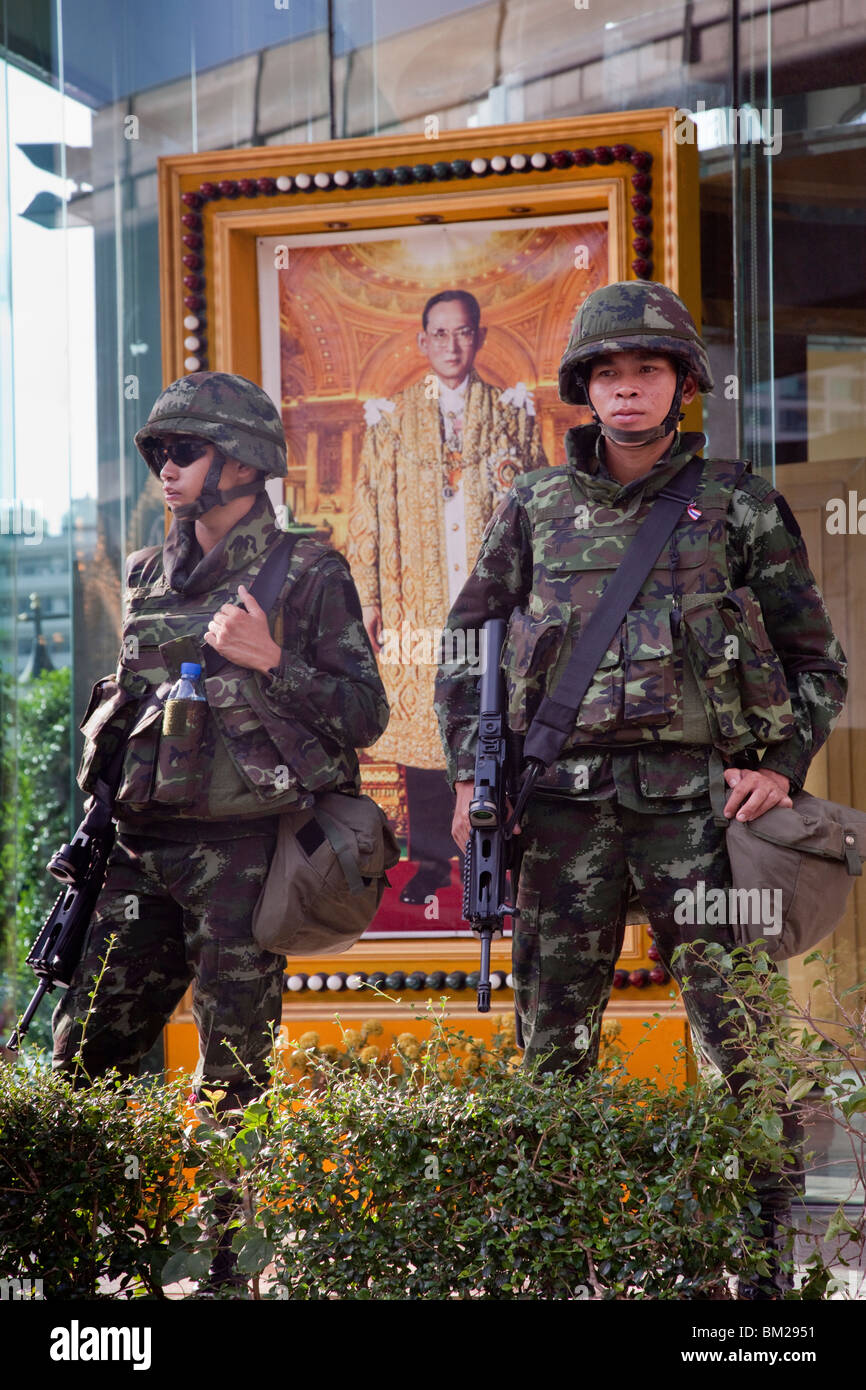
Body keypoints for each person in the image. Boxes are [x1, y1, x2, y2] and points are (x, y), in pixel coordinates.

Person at [434, 280, 848, 1296]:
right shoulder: (532, 505)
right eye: (607, 373)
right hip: (562, 816)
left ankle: (752, 1279)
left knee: (739, 1051)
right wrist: (465, 770)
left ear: (679, 384)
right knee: (552, 1050)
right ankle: (554, 1272)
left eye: (646, 370)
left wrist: (775, 764)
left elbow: (814, 659)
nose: (626, 390)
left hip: (698, 821)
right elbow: (460, 645)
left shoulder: (737, 502)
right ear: (583, 387)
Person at [53, 371, 389, 1111]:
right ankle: (78, 1227)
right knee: (79, 1064)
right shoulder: (144, 575)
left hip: (245, 855)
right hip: (138, 850)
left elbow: (365, 714)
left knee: (232, 1083)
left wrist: (273, 660)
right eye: (158, 453)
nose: (166, 469)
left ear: (241, 463)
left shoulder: (308, 571)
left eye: (185, 450)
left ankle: (223, 1234)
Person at [347, 288, 547, 904]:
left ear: (479, 337)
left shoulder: (513, 415)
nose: (452, 345)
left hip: (493, 602)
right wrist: (369, 596)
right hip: (418, 598)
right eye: (439, 333)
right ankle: (434, 858)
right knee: (428, 727)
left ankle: (507, 852)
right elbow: (368, 513)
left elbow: (539, 507)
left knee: (499, 718)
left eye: (463, 333)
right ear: (422, 341)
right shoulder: (392, 420)